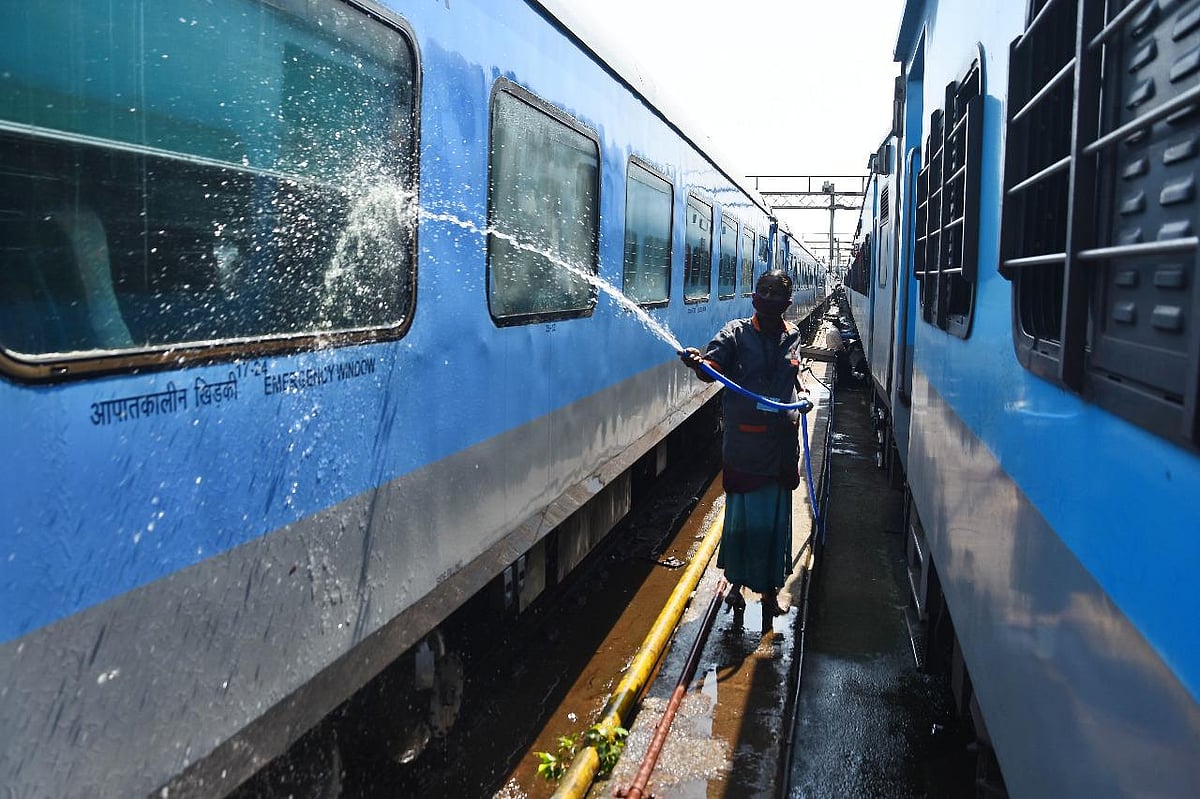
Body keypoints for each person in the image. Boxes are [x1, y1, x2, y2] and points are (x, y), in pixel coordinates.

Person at [679, 270, 803, 617]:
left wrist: (803, 392)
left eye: (777, 294)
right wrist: (697, 363)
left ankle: (769, 592)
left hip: (780, 446)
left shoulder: (793, 335)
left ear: (787, 302)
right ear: (754, 297)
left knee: (775, 521)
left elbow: (793, 374)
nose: (770, 299)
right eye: (765, 292)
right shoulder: (734, 333)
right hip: (746, 447)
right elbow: (711, 369)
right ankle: (735, 587)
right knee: (743, 521)